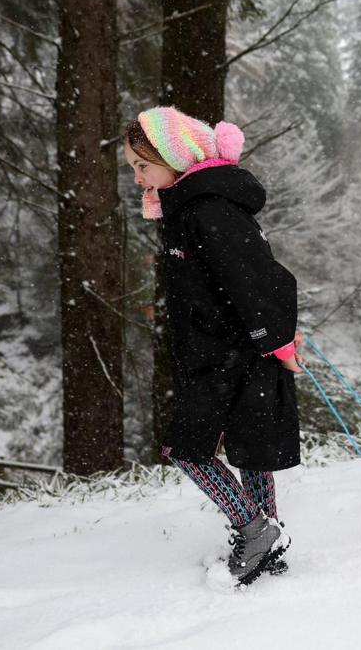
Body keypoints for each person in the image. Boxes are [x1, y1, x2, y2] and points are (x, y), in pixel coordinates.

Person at [123, 105, 303, 587]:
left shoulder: (210, 209)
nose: (137, 177)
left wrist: (276, 339)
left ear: (174, 157)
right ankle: (269, 544)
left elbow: (257, 279)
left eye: (142, 165)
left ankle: (256, 529)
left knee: (187, 449)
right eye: (133, 167)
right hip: (220, 351)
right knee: (251, 447)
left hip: (233, 353)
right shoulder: (188, 207)